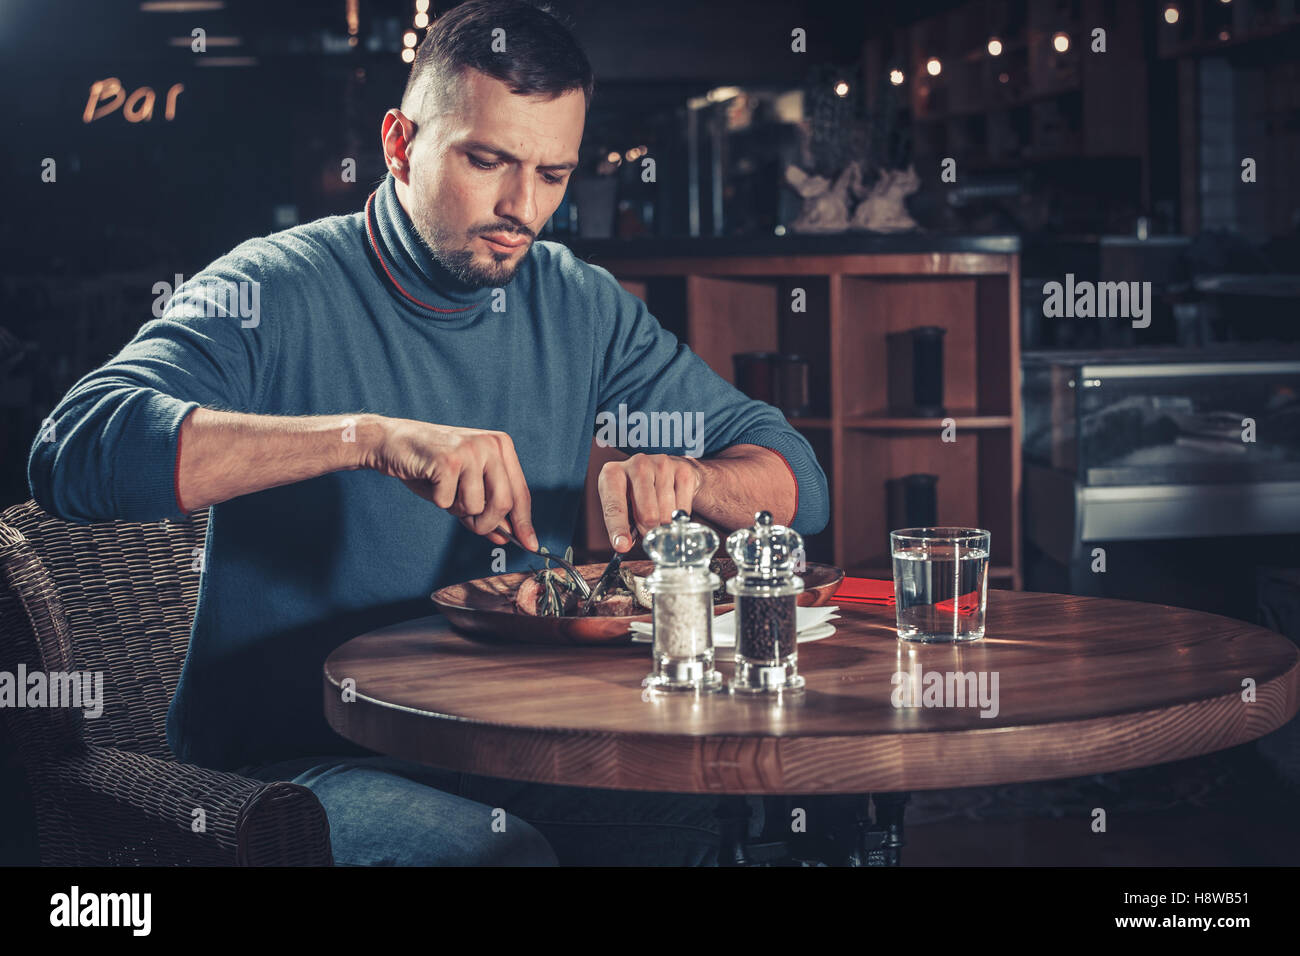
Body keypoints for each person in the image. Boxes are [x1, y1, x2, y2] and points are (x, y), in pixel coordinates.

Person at [28, 0, 828, 866]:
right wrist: (365, 438)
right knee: (494, 856)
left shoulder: (577, 301)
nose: (524, 208)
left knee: (696, 821)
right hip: (298, 763)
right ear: (399, 144)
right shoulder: (276, 285)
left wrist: (693, 482)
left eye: (553, 175)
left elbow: (798, 483)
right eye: (487, 160)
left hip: (510, 742)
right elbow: (73, 450)